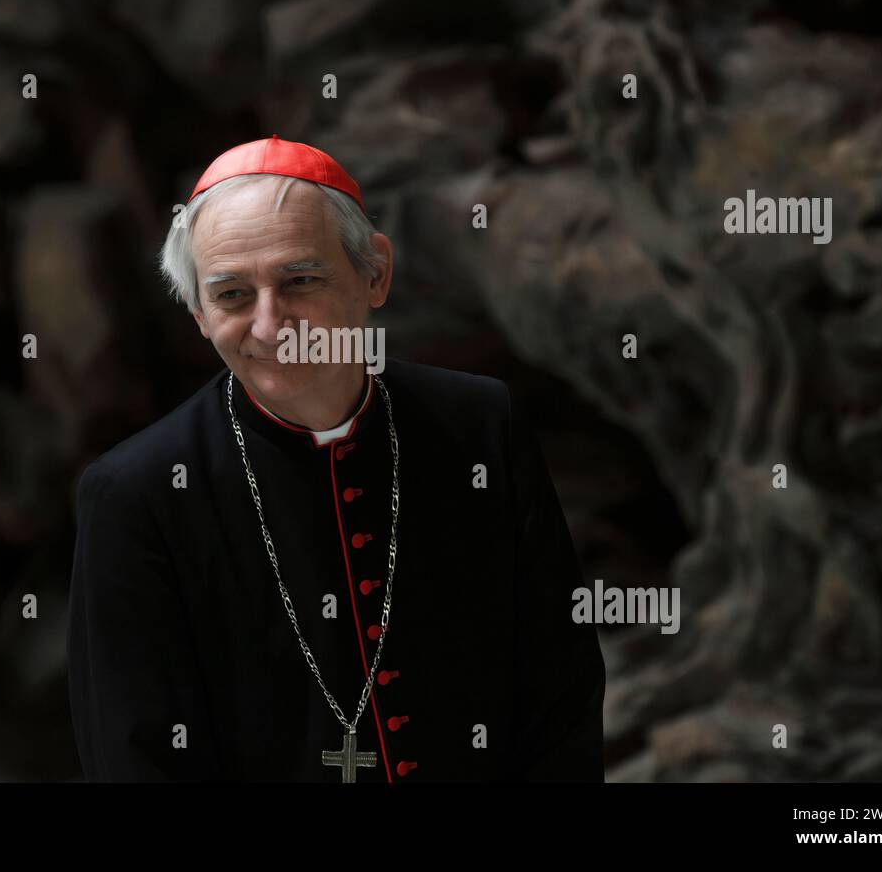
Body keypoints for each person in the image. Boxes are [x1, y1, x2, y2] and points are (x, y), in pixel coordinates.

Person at [66, 135, 605, 782]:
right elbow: (135, 759)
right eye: (232, 295)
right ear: (199, 314)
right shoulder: (138, 495)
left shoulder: (481, 428)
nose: (269, 325)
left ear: (375, 273)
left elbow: (560, 688)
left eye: (299, 281)